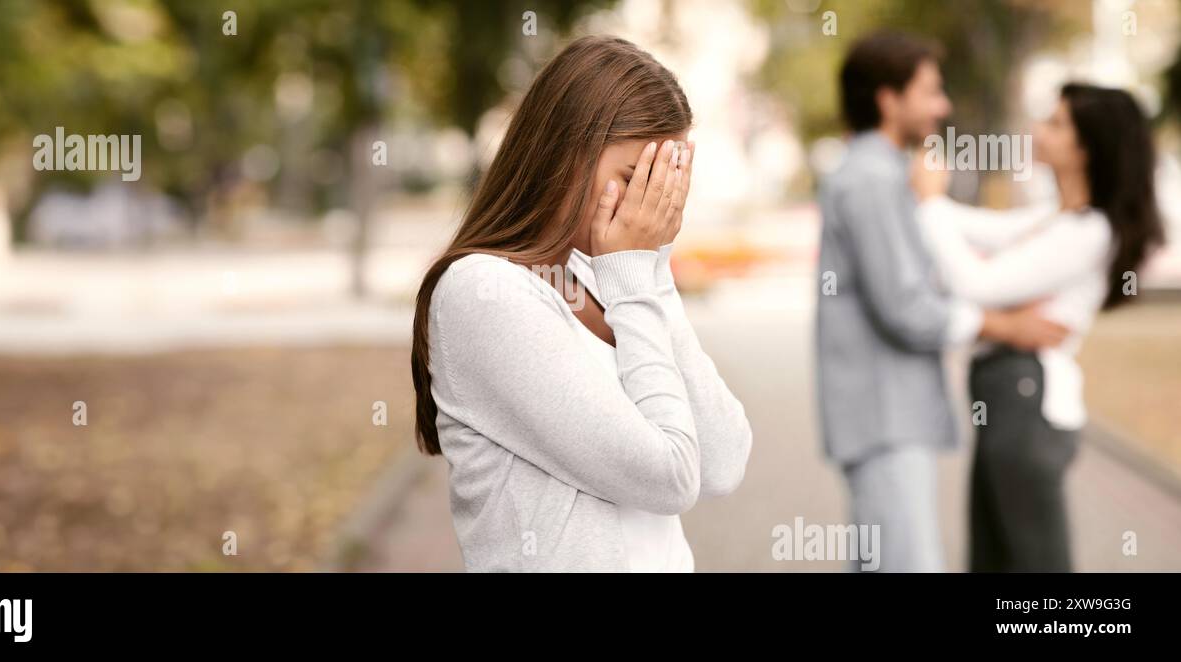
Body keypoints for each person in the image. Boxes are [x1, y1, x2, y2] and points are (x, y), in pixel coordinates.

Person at [410, 35, 753, 572]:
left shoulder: (608, 278)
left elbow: (723, 462)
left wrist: (653, 269)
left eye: (665, 184)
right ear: (565, 155)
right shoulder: (482, 292)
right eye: (633, 179)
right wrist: (636, 278)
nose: (650, 203)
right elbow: (670, 476)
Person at [815, 31, 1069, 572]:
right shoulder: (872, 181)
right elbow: (904, 307)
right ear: (888, 99)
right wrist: (1003, 326)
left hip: (887, 415)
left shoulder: (886, 175)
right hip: (885, 419)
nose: (943, 106)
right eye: (930, 91)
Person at [912, 83, 1166, 571]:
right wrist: (931, 197)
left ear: (1086, 148)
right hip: (1007, 397)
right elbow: (976, 228)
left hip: (1025, 398)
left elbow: (977, 282)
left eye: (1055, 124)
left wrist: (928, 203)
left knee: (1037, 568)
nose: (1037, 131)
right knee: (996, 557)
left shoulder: (1088, 232)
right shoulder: (1057, 219)